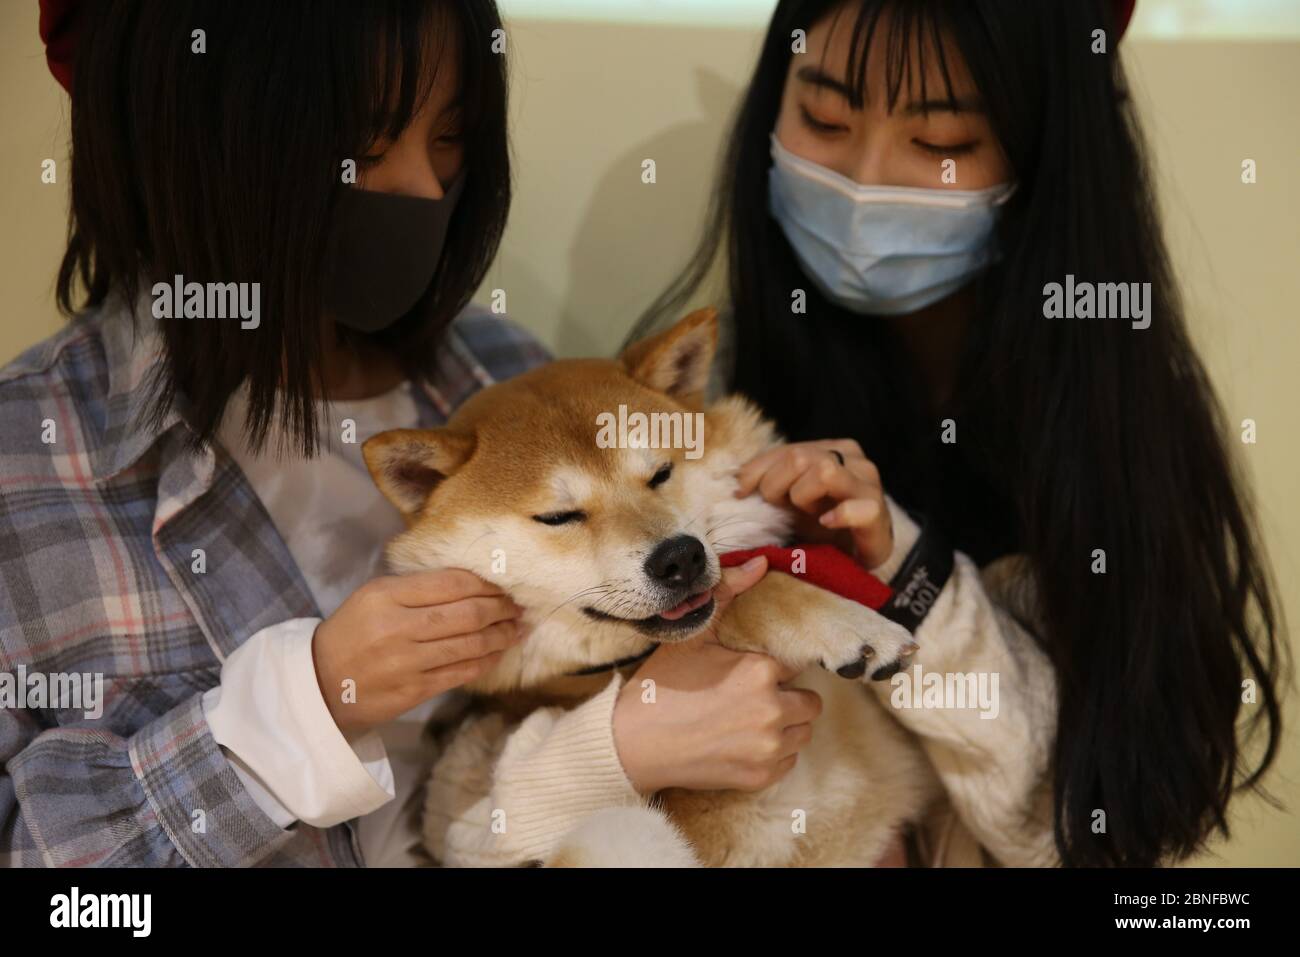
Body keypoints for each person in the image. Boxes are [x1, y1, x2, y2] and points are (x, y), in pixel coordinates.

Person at [625, 0, 1286, 867]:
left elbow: (1092, 828)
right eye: (824, 118)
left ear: (1042, 160)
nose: (865, 181)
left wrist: (910, 572)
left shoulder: (1112, 444)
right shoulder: (702, 410)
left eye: (940, 146)